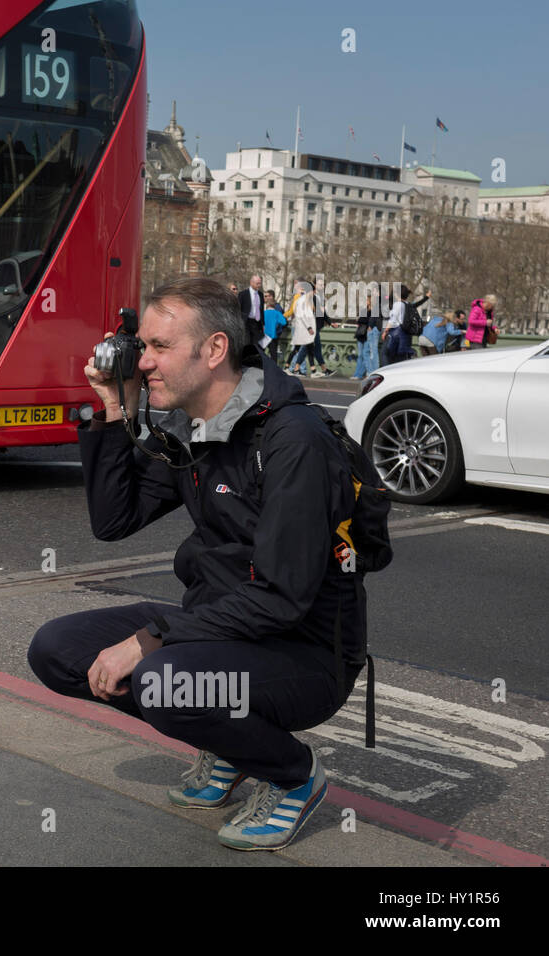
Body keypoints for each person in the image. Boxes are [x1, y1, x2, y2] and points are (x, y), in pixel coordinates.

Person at [28, 276, 366, 852]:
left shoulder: (293, 441)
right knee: (57, 651)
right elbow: (115, 520)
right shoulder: (195, 427)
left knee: (165, 681)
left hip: (306, 651)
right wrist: (115, 407)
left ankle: (292, 773)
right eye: (143, 347)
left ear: (212, 351)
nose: (144, 361)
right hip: (223, 629)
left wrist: (149, 640)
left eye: (159, 348)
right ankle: (232, 746)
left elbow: (280, 597)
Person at [284, 278, 318, 375]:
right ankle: (299, 369)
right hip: (302, 326)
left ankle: (291, 368)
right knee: (301, 348)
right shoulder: (300, 297)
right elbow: (294, 311)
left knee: (300, 348)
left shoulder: (305, 298)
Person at [351, 291, 380, 379]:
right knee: (360, 355)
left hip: (367, 334)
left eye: (367, 300)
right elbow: (359, 320)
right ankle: (357, 374)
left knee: (365, 354)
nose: (365, 301)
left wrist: (361, 319)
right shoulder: (364, 309)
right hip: (360, 334)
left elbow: (364, 320)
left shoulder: (373, 310)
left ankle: (365, 373)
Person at [237, 274, 264, 348]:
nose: (259, 285)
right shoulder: (243, 294)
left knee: (256, 345)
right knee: (247, 343)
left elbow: (261, 310)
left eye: (260, 283)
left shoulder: (261, 295)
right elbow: (238, 309)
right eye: (257, 283)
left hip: (257, 323)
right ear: (251, 283)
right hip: (246, 322)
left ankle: (254, 359)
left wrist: (263, 324)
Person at [262, 290, 285, 363]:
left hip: (264, 335)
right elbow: (284, 322)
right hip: (273, 336)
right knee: (273, 354)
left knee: (262, 352)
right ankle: (274, 370)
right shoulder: (277, 312)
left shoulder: (263, 313)